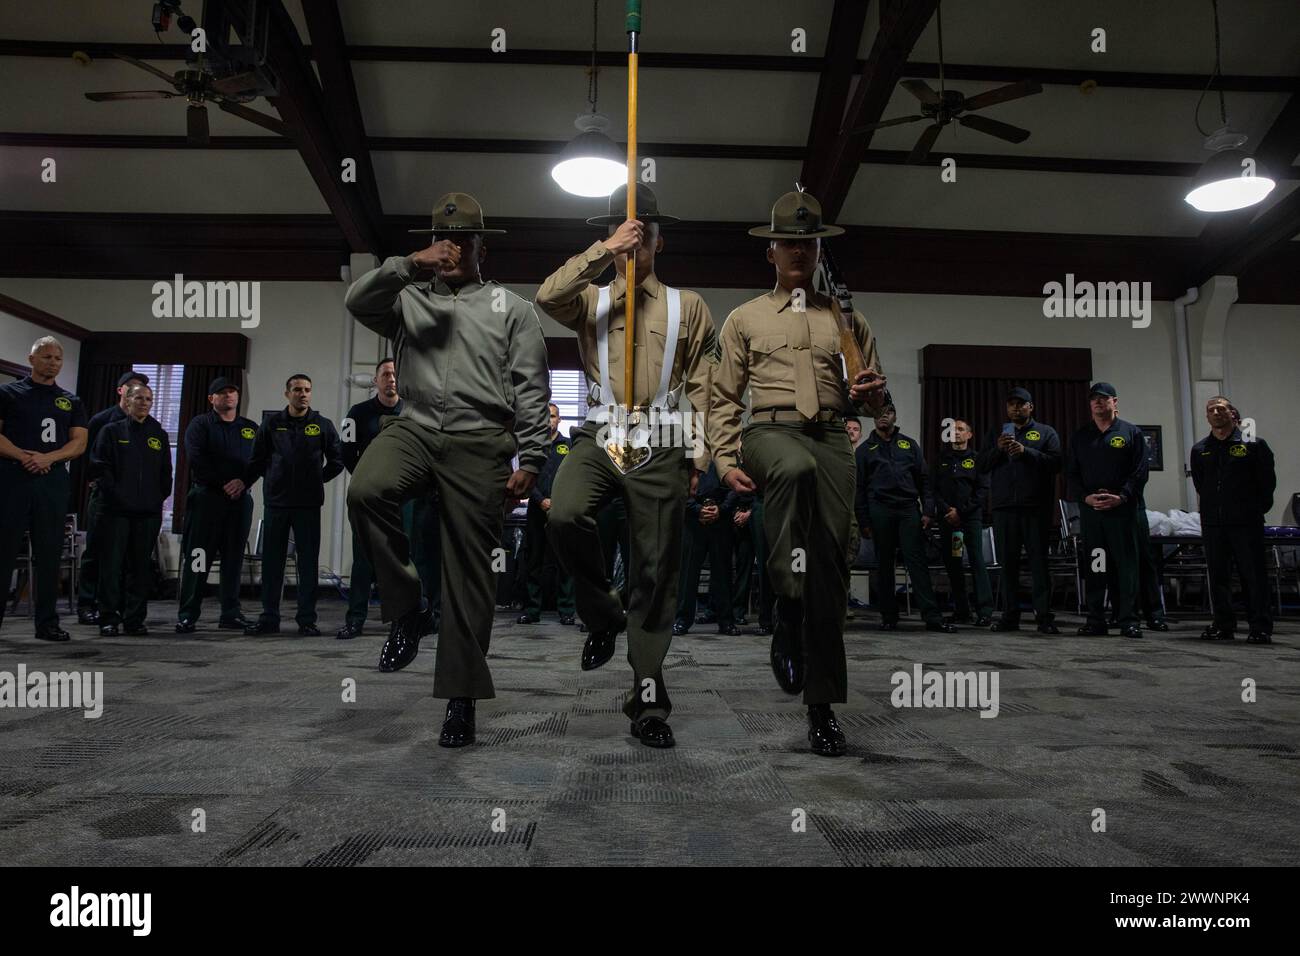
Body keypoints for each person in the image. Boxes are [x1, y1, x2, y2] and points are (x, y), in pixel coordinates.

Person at [345, 192, 549, 748]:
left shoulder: (513, 308)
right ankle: (407, 610)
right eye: (444, 240)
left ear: (484, 247)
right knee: (366, 490)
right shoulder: (406, 299)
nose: (454, 249)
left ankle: (460, 701)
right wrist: (410, 265)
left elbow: (532, 388)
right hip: (413, 428)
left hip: (480, 440)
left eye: (465, 241)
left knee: (469, 576)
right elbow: (356, 302)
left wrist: (531, 456)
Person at [537, 183, 716, 750]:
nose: (633, 250)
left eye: (641, 238)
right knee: (564, 515)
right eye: (623, 239)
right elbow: (545, 296)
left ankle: (648, 699)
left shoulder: (689, 307)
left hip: (661, 435)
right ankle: (603, 613)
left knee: (655, 571)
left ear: (659, 242)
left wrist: (697, 450)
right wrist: (602, 247)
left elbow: (705, 387)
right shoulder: (590, 301)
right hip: (603, 432)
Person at [711, 189, 889, 757]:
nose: (796, 251)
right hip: (770, 433)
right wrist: (722, 456)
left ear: (818, 252)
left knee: (832, 568)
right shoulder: (744, 317)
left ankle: (822, 708)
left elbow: (875, 407)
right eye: (786, 241)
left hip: (833, 435)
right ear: (770, 251)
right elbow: (721, 398)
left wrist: (871, 396)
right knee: (793, 466)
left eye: (806, 243)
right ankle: (784, 603)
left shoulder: (847, 320)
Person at [338, 359, 440, 640]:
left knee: (406, 556)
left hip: (406, 497)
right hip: (370, 497)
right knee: (363, 559)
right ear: (376, 381)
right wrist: (366, 480)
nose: (391, 379)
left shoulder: (413, 413)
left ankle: (405, 619)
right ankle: (355, 619)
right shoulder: (357, 414)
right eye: (385, 374)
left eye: (396, 374)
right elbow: (345, 451)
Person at [0, 337, 88, 641]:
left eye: (58, 359)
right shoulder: (9, 393)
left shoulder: (70, 401)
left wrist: (47, 458)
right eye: (47, 357)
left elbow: (79, 442)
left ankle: (47, 623)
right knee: (4, 551)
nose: (53, 362)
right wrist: (25, 457)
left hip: (51, 481)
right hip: (13, 478)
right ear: (32, 359)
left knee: (50, 553)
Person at [244, 373, 343, 637]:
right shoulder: (271, 424)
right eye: (298, 389)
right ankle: (269, 619)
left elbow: (337, 460)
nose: (303, 394)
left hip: (308, 505)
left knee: (307, 564)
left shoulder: (322, 425)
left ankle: (307, 620)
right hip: (277, 503)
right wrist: (273, 479)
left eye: (307, 390)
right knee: (272, 563)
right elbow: (257, 460)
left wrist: (316, 480)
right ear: (287, 393)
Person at [854, 404, 955, 632]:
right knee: (884, 565)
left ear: (894, 417)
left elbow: (924, 481)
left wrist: (928, 511)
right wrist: (864, 521)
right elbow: (858, 490)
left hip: (909, 510)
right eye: (879, 413)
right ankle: (889, 616)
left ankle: (932, 617)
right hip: (880, 510)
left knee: (916, 562)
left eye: (887, 413)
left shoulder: (909, 445)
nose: (883, 417)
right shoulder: (864, 450)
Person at [175, 376, 258, 633]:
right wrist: (226, 482)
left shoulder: (250, 428)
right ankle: (188, 613)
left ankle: (230, 614)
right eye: (222, 393)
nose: (229, 396)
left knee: (233, 560)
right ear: (212, 398)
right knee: (198, 558)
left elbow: (260, 460)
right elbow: (197, 459)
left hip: (239, 501)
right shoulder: (200, 425)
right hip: (207, 499)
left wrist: (243, 481)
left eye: (233, 392)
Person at [1191, 396, 1277, 643]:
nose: (1216, 412)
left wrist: (1252, 510)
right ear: (1207, 417)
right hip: (1213, 524)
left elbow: (1267, 484)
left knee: (1253, 575)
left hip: (1245, 523)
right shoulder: (1200, 449)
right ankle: (1223, 624)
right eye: (1211, 410)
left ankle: (1259, 627)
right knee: (1218, 576)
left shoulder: (1254, 445)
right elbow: (1200, 484)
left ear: (1233, 414)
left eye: (1221, 408)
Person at [1066, 382, 1148, 639]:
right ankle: (1096, 619)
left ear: (1115, 402)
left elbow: (1139, 472)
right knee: (1096, 565)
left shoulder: (1131, 433)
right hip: (1093, 512)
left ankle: (1128, 620)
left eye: (1104, 399)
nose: (1099, 403)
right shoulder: (1081, 436)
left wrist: (1122, 496)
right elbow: (1071, 473)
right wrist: (1085, 498)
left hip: (1122, 511)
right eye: (1094, 399)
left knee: (1126, 566)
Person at [977, 387, 1061, 634]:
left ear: (1030, 407)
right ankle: (1009, 616)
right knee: (1008, 565)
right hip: (1004, 509)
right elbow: (981, 465)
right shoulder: (997, 433)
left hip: (1036, 508)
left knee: (1038, 564)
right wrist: (999, 449)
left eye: (1021, 404)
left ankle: (1044, 617)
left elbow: (1056, 463)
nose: (1015, 408)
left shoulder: (1046, 432)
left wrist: (1027, 452)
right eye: (1011, 404)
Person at [91, 383, 172, 636]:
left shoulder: (158, 435)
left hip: (146, 513)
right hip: (115, 512)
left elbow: (165, 475)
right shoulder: (111, 431)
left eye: (149, 399)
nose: (144, 403)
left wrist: (156, 498)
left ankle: (134, 619)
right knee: (112, 566)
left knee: (139, 568)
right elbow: (100, 469)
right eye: (139, 398)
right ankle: (109, 617)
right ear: (127, 400)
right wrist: (118, 498)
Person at [78, 369, 149, 625]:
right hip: (105, 497)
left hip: (135, 504)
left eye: (144, 392)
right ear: (122, 391)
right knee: (96, 551)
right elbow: (90, 458)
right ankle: (87, 604)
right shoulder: (103, 420)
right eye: (134, 389)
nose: (140, 397)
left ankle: (114, 605)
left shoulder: (148, 426)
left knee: (124, 557)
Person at [517, 403, 576, 627]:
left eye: (552, 416)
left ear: (559, 420)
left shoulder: (568, 446)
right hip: (536, 509)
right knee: (533, 561)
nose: (548, 420)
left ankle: (567, 611)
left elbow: (573, 477)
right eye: (545, 417)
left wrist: (558, 502)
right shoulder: (534, 446)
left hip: (560, 511)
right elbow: (526, 476)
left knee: (564, 562)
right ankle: (532, 610)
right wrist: (540, 500)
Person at [931, 418, 994, 626]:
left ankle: (984, 611)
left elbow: (982, 491)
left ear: (969, 435)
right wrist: (948, 511)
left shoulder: (978, 459)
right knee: (954, 564)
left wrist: (962, 512)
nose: (955, 432)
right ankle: (962, 610)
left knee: (976, 562)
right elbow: (934, 490)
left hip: (970, 521)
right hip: (950, 522)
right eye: (952, 429)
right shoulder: (941, 459)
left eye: (960, 429)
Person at [674, 464, 737, 636]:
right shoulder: (688, 448)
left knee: (722, 573)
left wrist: (722, 509)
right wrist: (696, 509)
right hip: (693, 520)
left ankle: (726, 621)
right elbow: (678, 482)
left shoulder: (725, 447)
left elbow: (736, 483)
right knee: (688, 573)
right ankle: (681, 620)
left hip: (721, 518)